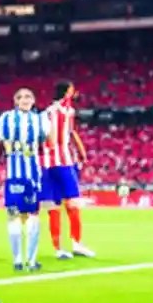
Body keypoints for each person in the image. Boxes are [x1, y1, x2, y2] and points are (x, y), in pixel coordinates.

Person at [0, 87, 50, 272]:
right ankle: (22, 259)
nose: (25, 99)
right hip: (19, 175)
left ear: (33, 100)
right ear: (15, 101)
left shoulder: (8, 119)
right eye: (21, 97)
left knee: (27, 215)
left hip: (30, 175)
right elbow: (45, 140)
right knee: (18, 215)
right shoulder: (37, 119)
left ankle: (27, 259)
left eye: (28, 96)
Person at [40, 81, 94, 259]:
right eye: (72, 89)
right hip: (59, 162)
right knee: (66, 204)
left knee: (61, 205)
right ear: (67, 92)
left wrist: (82, 151)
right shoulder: (52, 111)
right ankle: (69, 245)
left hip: (54, 162)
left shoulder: (68, 111)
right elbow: (51, 138)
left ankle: (66, 247)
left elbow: (71, 132)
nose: (75, 92)